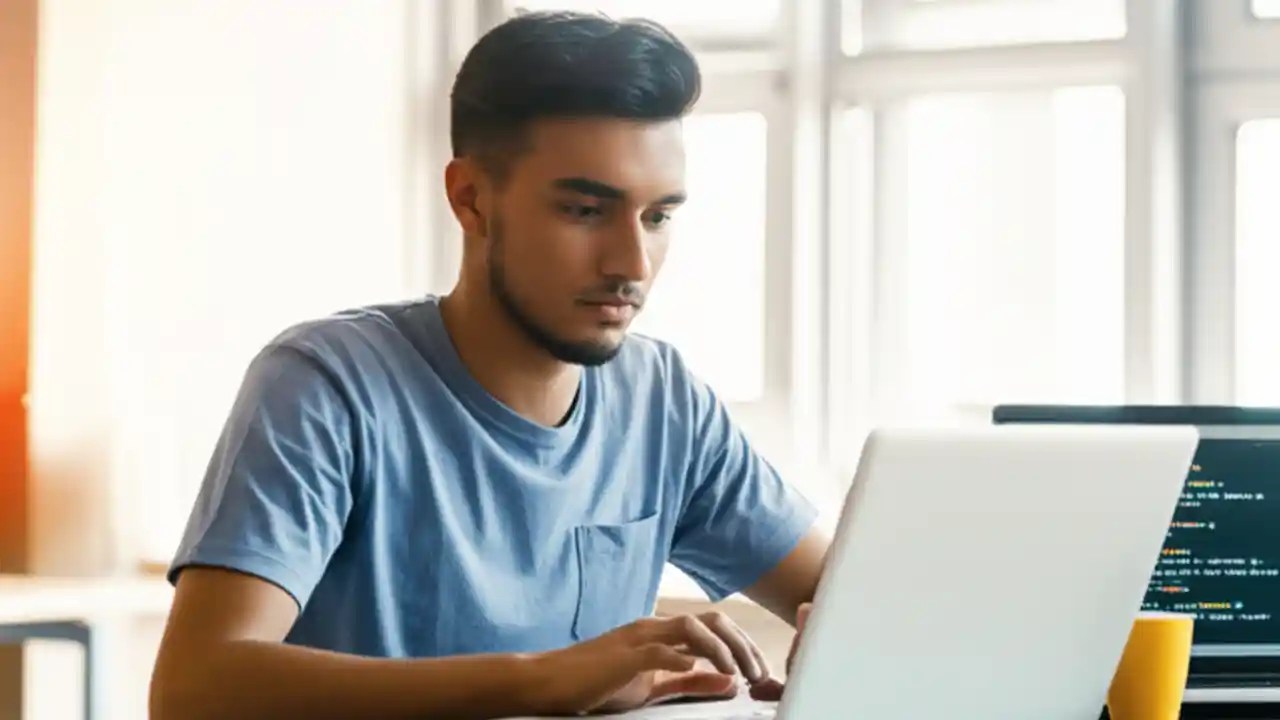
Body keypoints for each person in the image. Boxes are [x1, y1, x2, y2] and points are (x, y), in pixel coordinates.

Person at [149, 10, 829, 720]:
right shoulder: (326, 386)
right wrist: (542, 680)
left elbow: (853, 600)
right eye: (584, 210)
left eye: (656, 217)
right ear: (470, 198)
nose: (632, 264)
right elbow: (194, 690)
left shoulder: (665, 403)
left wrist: (838, 667)